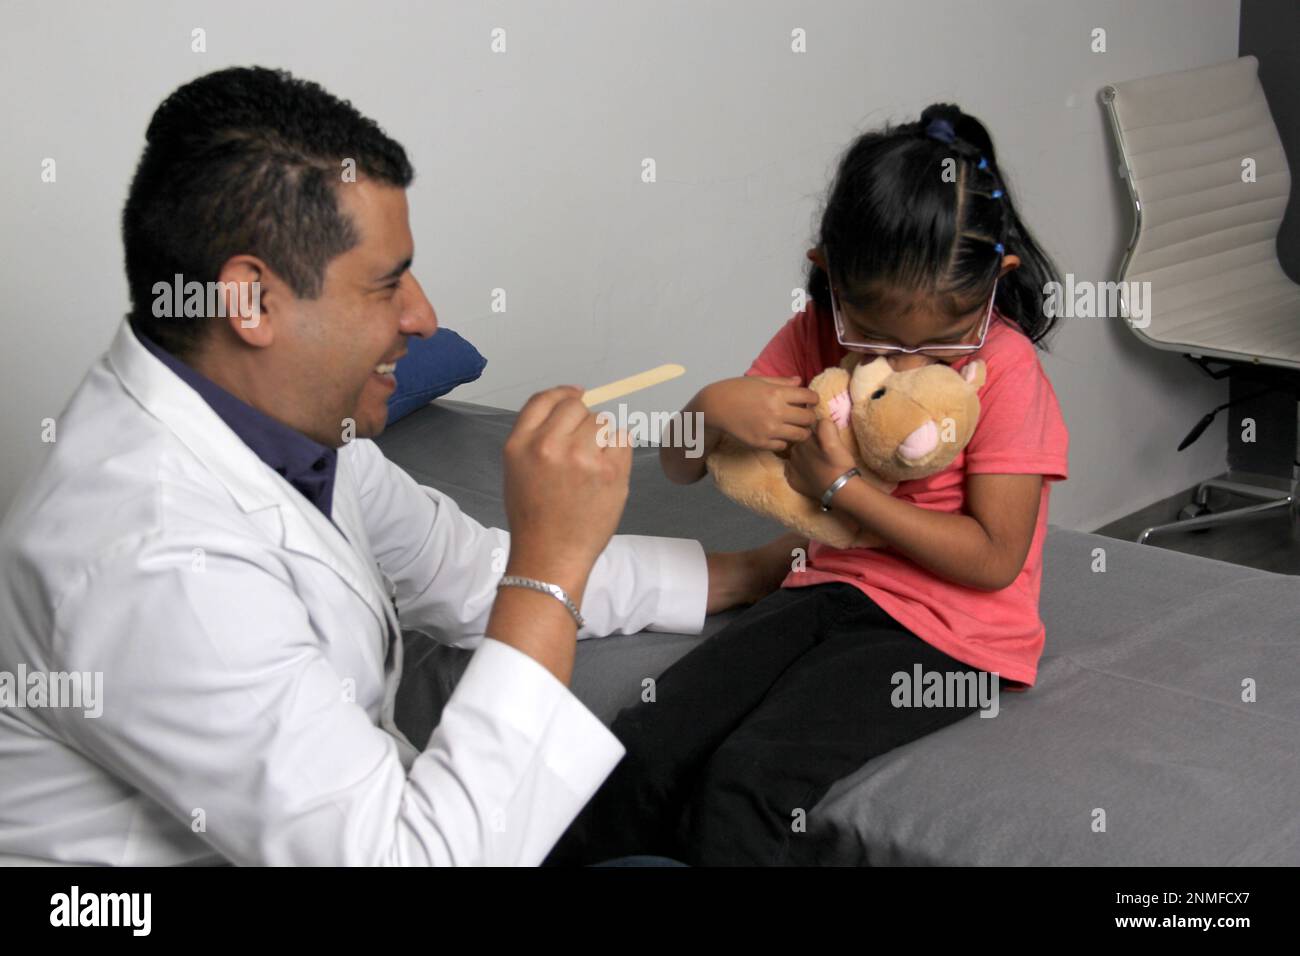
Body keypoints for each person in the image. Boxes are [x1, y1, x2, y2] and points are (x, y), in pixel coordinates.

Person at [0, 66, 790, 866]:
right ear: (250, 301)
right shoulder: (149, 558)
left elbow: (467, 570)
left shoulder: (291, 431)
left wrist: (743, 574)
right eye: (385, 285)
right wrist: (550, 566)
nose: (423, 317)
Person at [544, 104, 1071, 867]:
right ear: (828, 276)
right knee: (643, 747)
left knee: (747, 779)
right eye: (880, 341)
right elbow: (681, 465)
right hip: (823, 586)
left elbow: (994, 559)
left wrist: (845, 490)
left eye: (941, 346)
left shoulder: (1009, 369)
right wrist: (707, 408)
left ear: (996, 283)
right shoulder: (813, 332)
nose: (907, 365)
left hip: (956, 639)